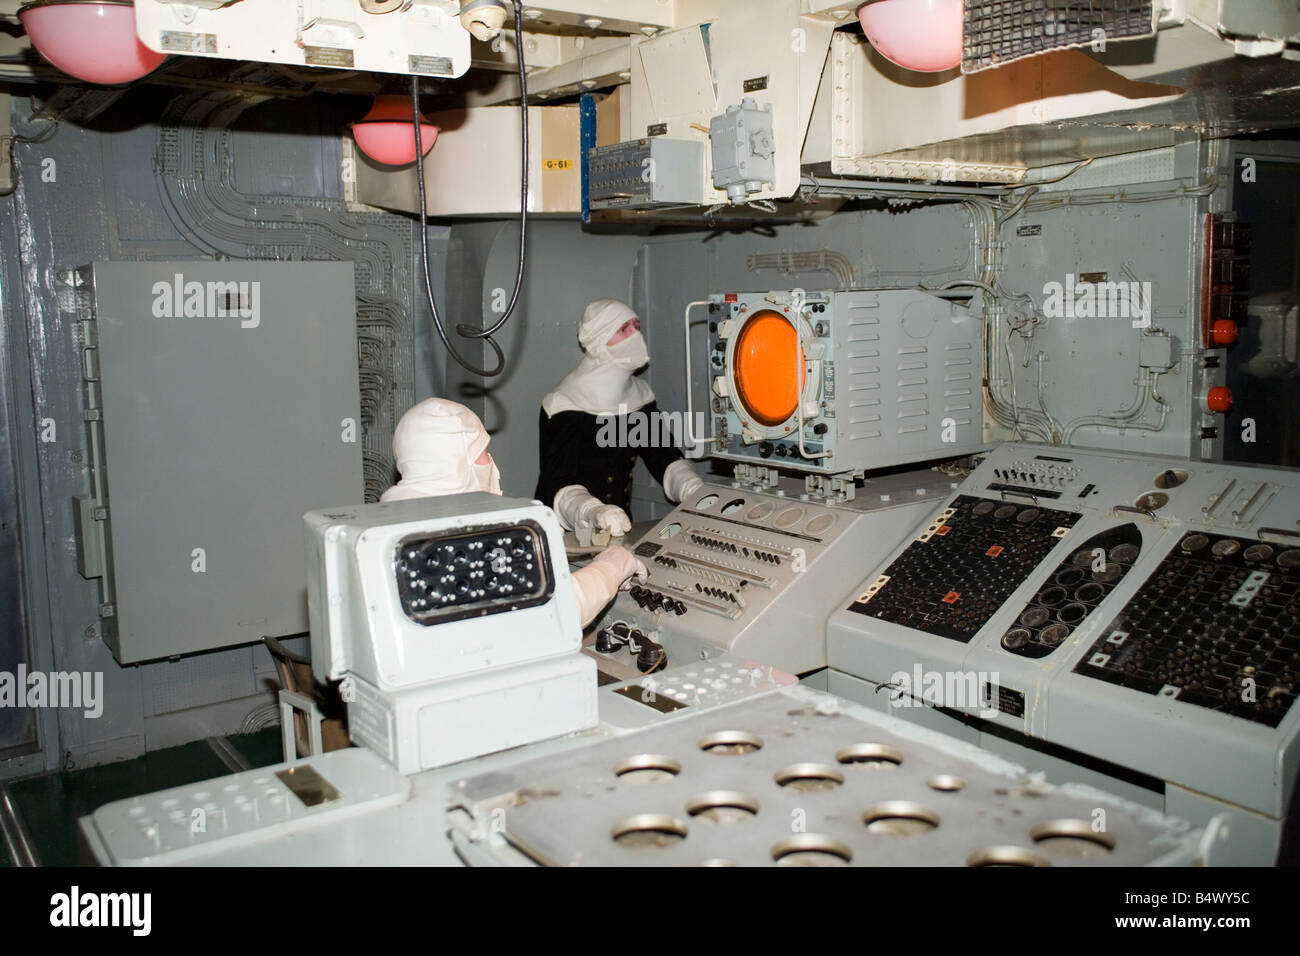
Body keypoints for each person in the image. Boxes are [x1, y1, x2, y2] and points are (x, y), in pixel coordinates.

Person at [381, 398, 645, 627]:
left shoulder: (386, 525)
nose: (491, 463)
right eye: (483, 452)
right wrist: (613, 565)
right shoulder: (459, 543)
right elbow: (556, 613)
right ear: (458, 463)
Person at [535, 299, 703, 536]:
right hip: (566, 535)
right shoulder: (564, 403)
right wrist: (594, 512)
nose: (636, 336)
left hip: (618, 530)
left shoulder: (639, 396)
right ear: (599, 340)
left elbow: (662, 456)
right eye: (624, 330)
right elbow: (559, 482)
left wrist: (691, 487)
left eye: (637, 326)